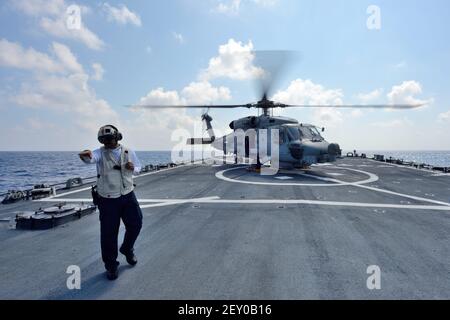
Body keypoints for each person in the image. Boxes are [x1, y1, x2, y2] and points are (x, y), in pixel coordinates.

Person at [79, 125, 143, 280]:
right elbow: (90, 159)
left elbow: (139, 168)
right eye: (103, 140)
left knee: (136, 224)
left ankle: (127, 249)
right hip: (107, 199)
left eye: (109, 139)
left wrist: (133, 167)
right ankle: (111, 266)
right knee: (108, 234)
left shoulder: (128, 151)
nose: (107, 143)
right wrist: (85, 155)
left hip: (127, 194)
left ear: (117, 137)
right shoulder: (99, 153)